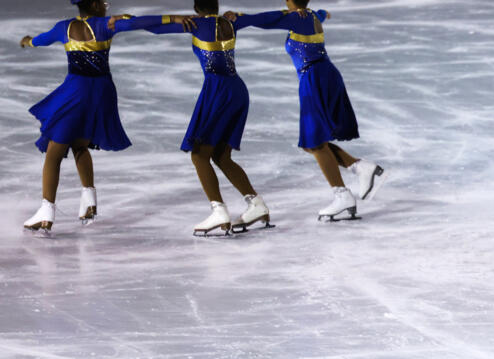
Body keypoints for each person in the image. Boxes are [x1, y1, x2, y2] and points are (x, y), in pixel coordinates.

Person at [19, 0, 195, 236]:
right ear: (93, 4)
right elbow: (139, 22)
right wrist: (173, 18)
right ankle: (89, 198)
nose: (106, 4)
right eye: (103, 1)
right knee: (80, 144)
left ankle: (46, 212)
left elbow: (40, 40)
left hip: (76, 92)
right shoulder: (105, 25)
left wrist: (27, 41)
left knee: (54, 153)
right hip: (102, 92)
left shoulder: (64, 28)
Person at [223, 2, 384, 222]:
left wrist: (234, 19)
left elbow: (262, 19)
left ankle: (344, 192)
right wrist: (323, 13)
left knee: (313, 143)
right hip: (321, 76)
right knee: (314, 142)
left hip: (315, 79)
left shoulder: (297, 18)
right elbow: (315, 13)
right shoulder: (309, 15)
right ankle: (359, 167)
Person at [143, 2, 293, 236]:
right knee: (222, 156)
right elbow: (265, 17)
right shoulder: (230, 21)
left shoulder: (195, 24)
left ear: (195, 6)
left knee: (199, 154)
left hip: (217, 91)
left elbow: (150, 27)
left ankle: (218, 211)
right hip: (237, 89)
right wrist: (291, 12)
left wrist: (172, 19)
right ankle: (256, 205)